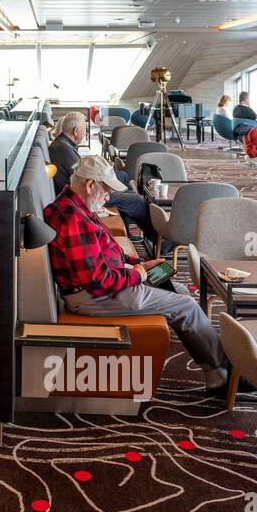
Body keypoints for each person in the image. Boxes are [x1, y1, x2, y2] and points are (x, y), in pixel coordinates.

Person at [43, 155, 232, 393]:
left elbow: (100, 256)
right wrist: (138, 274)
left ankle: (212, 364)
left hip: (100, 287)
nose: (107, 197)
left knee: (178, 289)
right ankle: (221, 374)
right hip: (92, 297)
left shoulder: (73, 205)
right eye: (105, 190)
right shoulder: (74, 220)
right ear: (90, 185)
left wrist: (137, 262)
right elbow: (98, 282)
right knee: (185, 305)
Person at [50, 112, 162, 252]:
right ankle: (158, 242)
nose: (85, 133)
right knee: (136, 200)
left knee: (128, 191)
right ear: (76, 131)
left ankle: (133, 231)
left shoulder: (62, 144)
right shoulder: (62, 148)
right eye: (84, 129)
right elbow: (85, 177)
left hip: (83, 191)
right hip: (85, 194)